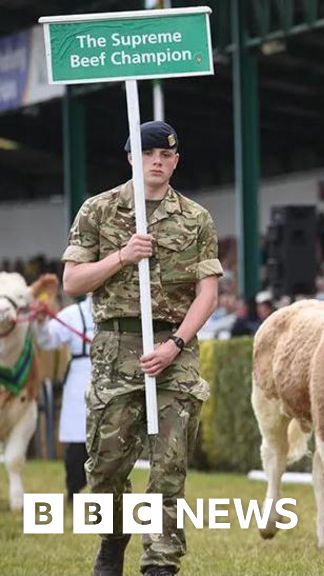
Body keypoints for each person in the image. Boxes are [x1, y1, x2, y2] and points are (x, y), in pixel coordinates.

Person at [60, 120, 222, 576]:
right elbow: (73, 281)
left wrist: (174, 345)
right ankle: (113, 540)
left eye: (167, 154)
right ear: (131, 157)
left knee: (169, 465)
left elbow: (207, 294)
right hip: (117, 346)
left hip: (175, 347)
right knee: (106, 466)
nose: (158, 160)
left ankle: (160, 563)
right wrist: (122, 256)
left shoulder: (195, 218)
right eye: (149, 153)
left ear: (176, 160)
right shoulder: (99, 210)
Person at [30, 294, 95, 500]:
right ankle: (74, 491)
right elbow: (47, 340)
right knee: (78, 441)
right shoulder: (73, 314)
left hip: (114, 378)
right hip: (79, 380)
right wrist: (41, 323)